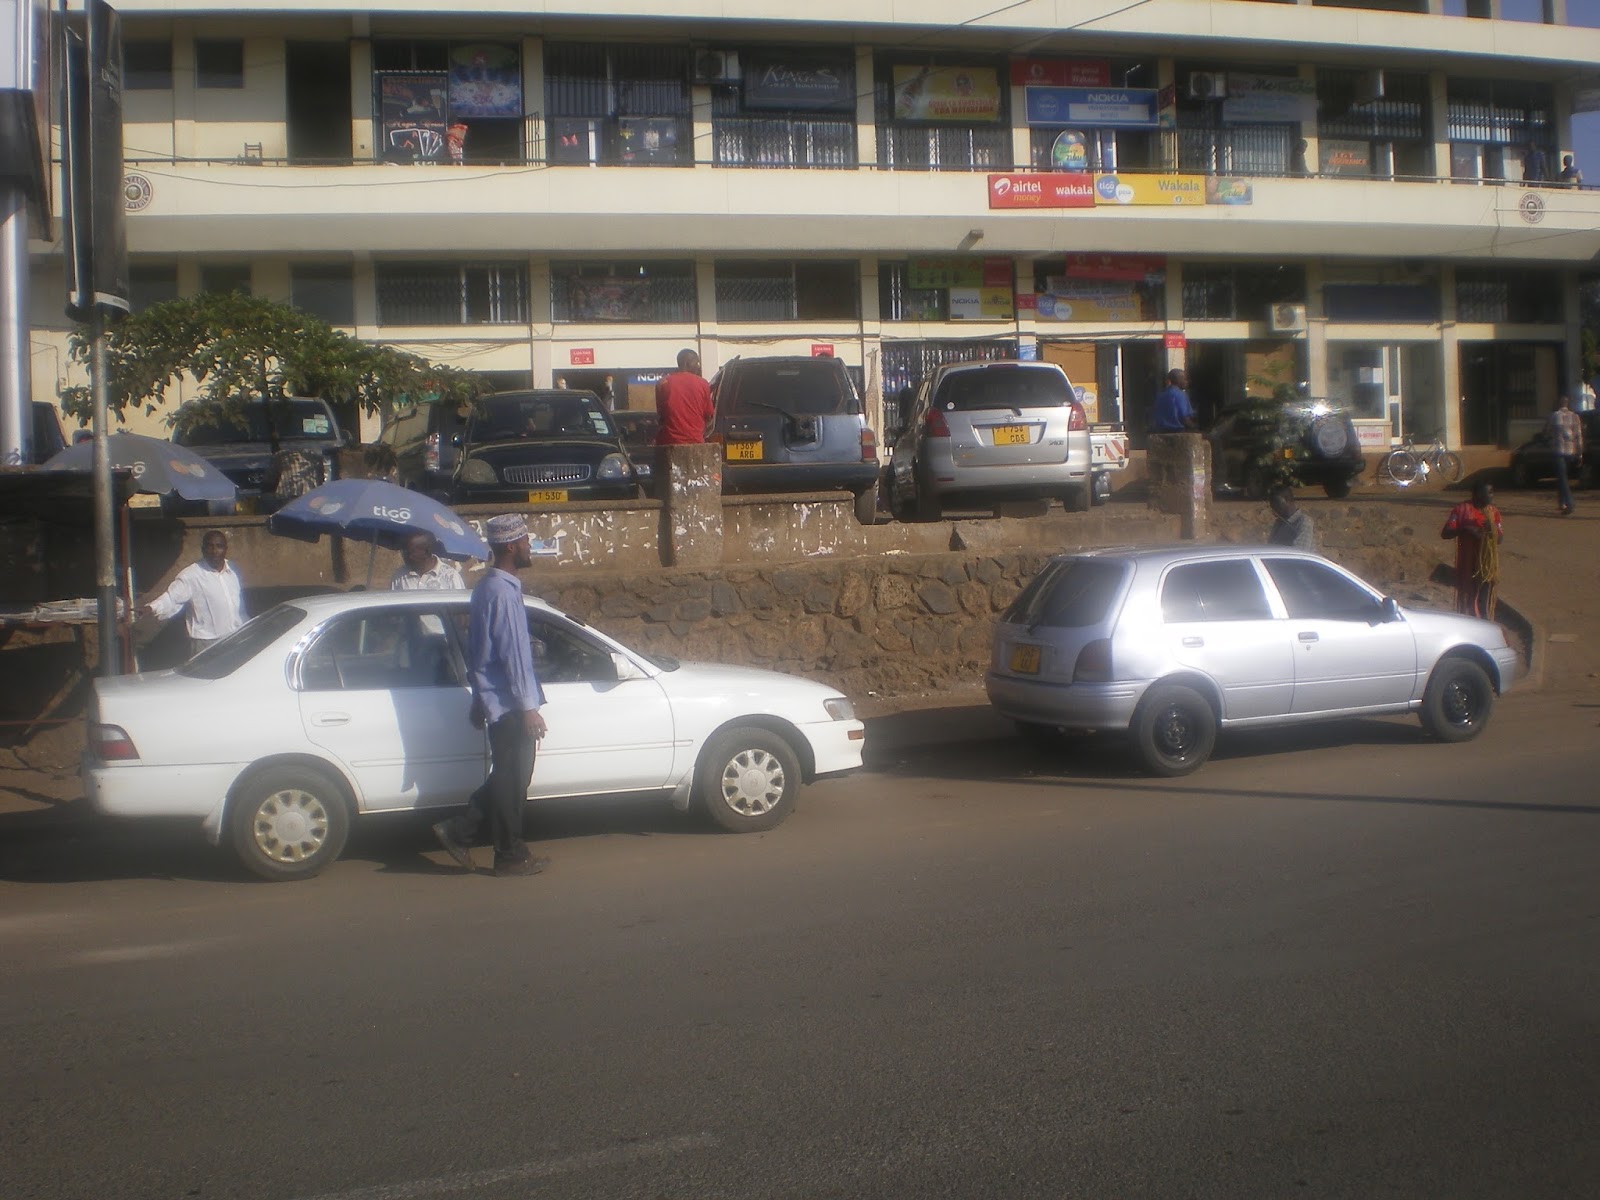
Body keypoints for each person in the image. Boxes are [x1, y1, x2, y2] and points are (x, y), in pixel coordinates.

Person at [432, 514, 549, 878]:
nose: (529, 547)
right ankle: (506, 853)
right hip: (511, 706)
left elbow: (478, 651)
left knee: (509, 779)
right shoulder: (502, 593)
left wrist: (479, 698)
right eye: (526, 541)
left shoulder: (485, 588)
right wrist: (528, 708)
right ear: (511, 546)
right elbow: (513, 655)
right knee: (511, 782)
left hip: (497, 701)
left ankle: (469, 835)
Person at [139, 529, 247, 659]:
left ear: (226, 549)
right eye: (210, 546)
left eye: (219, 546)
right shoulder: (191, 575)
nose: (214, 551)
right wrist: (151, 608)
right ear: (203, 549)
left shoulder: (233, 570)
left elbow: (239, 605)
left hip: (235, 637)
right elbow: (171, 598)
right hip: (207, 643)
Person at [1441, 480, 1503, 620]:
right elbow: (1446, 533)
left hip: (1487, 566)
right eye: (1489, 492)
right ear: (1478, 494)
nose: (1492, 496)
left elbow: (1499, 539)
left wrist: (1492, 530)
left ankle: (1485, 623)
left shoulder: (1493, 512)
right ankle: (1469, 623)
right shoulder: (1462, 510)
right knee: (1468, 599)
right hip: (1468, 563)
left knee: (1484, 601)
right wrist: (1465, 529)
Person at [654, 348, 715, 447]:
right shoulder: (703, 384)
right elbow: (708, 415)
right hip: (695, 441)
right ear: (687, 363)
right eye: (697, 363)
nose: (698, 366)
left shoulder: (662, 383)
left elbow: (661, 416)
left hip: (669, 442)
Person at [1542, 394, 1584, 517]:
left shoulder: (1554, 416)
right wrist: (1580, 453)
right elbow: (1578, 436)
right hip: (1571, 451)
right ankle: (1562, 502)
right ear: (1568, 404)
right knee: (1563, 477)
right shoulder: (1575, 417)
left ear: (1558, 404)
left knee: (1562, 477)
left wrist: (1550, 441)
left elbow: (1546, 432)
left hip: (1558, 450)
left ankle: (1569, 503)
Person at [390, 531, 466, 590]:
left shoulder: (450, 576)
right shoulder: (399, 576)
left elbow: (461, 604)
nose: (407, 557)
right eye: (404, 552)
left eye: (411, 553)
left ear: (427, 552)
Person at [1266, 484, 1317, 551]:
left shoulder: (1304, 522)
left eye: (1277, 505)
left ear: (1287, 500)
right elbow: (1270, 547)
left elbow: (1299, 553)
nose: (1275, 509)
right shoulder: (1279, 523)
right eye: (1272, 506)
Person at [1150, 368, 1197, 433]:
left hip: (1159, 432)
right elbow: (1184, 418)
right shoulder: (1181, 395)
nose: (1187, 382)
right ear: (1179, 380)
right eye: (1185, 379)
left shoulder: (1160, 396)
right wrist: (1195, 427)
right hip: (1177, 432)